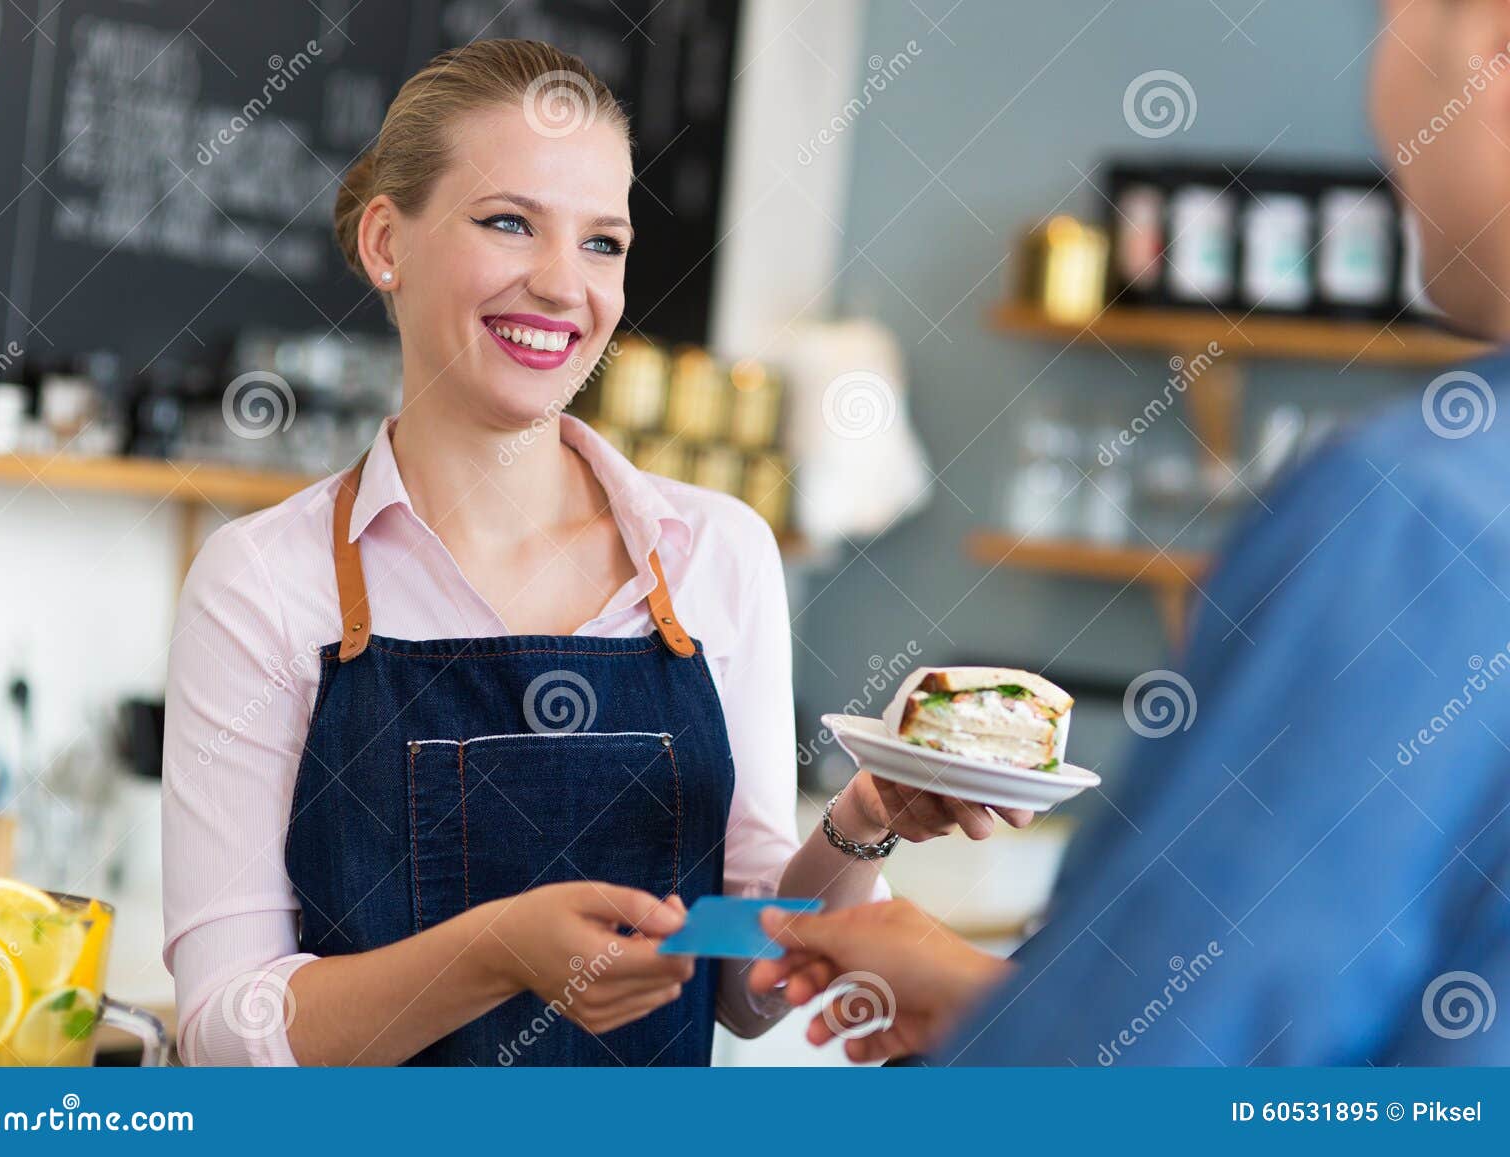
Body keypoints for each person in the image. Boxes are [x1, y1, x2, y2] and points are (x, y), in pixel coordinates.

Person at [161, 38, 1024, 1068]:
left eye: (602, 243)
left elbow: (747, 989)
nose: (562, 284)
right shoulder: (265, 578)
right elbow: (224, 1031)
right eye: (508, 222)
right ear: (388, 242)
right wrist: (492, 954)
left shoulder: (717, 553)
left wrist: (863, 818)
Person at [750, 0, 1510, 1066]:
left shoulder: (1415, 519)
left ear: (1485, 44)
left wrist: (1032, 1036)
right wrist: (997, 1001)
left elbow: (1155, 1076)